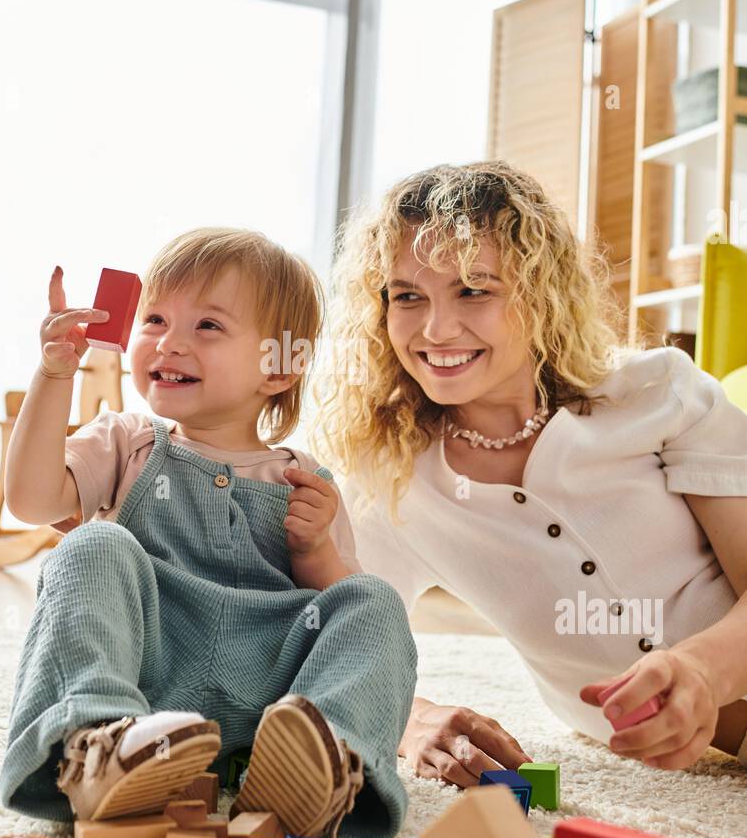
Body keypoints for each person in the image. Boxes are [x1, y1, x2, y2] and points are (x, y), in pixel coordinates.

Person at [315, 161, 747, 787]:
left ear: (538, 293)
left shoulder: (658, 395)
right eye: (407, 295)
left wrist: (704, 672)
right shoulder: (395, 481)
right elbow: (333, 648)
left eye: (473, 289)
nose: (435, 329)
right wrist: (412, 723)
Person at [0, 228, 416, 838]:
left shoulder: (304, 480)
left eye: (208, 327)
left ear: (280, 367)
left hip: (275, 702)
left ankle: (322, 763)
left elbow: (344, 609)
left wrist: (316, 551)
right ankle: (93, 744)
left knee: (376, 600)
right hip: (145, 678)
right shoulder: (128, 441)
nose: (169, 342)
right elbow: (31, 499)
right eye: (156, 319)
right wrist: (54, 373)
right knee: (91, 546)